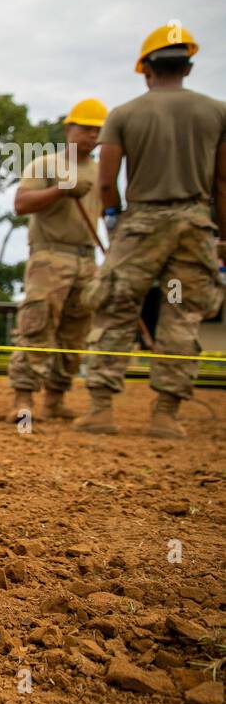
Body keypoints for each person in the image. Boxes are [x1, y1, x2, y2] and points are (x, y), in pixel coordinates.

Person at [76, 25, 226, 438]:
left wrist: (113, 217)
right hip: (196, 225)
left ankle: (102, 409)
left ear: (146, 70)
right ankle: (165, 415)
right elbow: (223, 183)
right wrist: (221, 239)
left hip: (140, 224)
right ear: (189, 67)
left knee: (115, 310)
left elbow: (108, 182)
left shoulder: (125, 115)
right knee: (181, 316)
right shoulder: (217, 113)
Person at [4, 99, 107, 421]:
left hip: (87, 258)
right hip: (50, 256)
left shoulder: (104, 170)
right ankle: (24, 401)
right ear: (69, 129)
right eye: (85, 128)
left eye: (97, 131)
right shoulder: (45, 165)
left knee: (76, 333)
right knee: (37, 326)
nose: (91, 136)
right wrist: (62, 189)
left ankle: (55, 399)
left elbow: (112, 211)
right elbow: (21, 204)